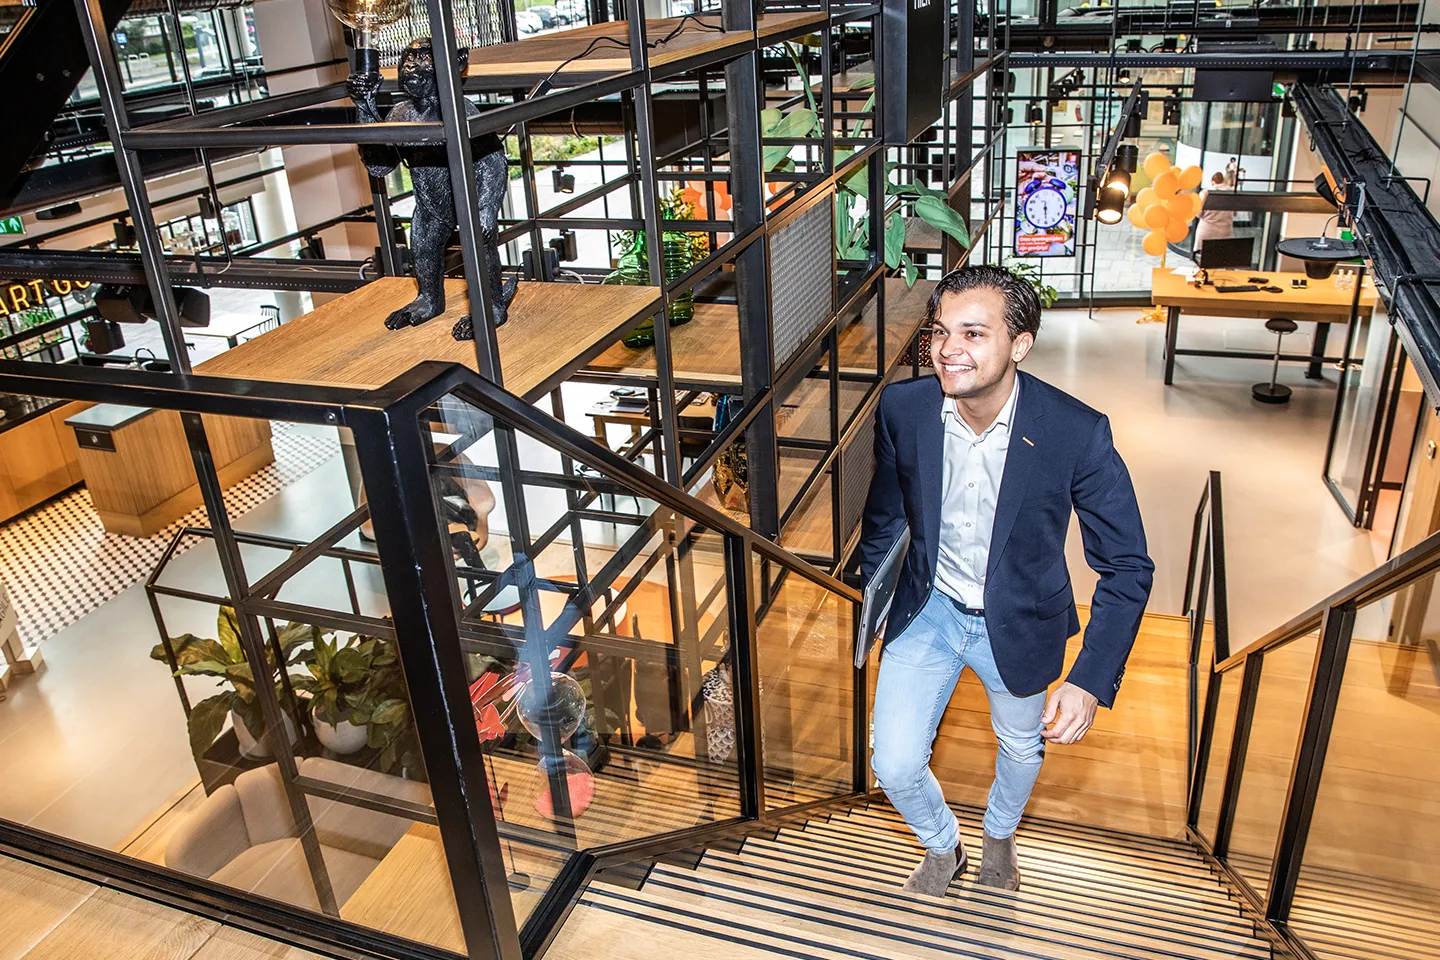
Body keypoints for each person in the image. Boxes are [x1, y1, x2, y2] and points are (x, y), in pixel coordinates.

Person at [858, 265, 1153, 898]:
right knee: (894, 762)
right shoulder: (904, 409)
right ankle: (945, 843)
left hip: (1018, 620)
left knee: (1020, 746)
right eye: (940, 332)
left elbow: (1127, 565)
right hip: (928, 608)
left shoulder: (1076, 432)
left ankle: (998, 834)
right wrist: (876, 602)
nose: (947, 350)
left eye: (972, 333)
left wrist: (1090, 679)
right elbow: (884, 518)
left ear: (1018, 344)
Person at [1195, 171, 1236, 253]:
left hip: (1207, 230)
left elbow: (1198, 214)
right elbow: (1235, 213)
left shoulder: (1205, 193)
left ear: (1213, 182)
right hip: (1225, 230)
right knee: (1219, 258)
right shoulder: (1232, 193)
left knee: (1203, 259)